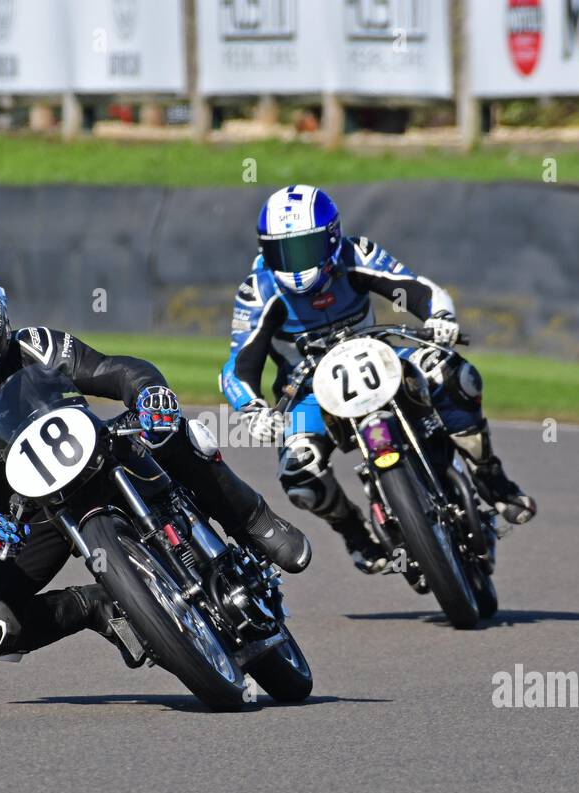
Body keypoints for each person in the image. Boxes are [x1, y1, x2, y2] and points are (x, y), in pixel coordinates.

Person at [0, 274, 310, 663]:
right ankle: (97, 607)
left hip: (101, 456)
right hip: (29, 521)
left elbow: (110, 371)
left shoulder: (36, 348)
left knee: (171, 429)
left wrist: (150, 394)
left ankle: (253, 520)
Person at [220, 185, 536, 573]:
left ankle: (490, 476)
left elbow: (416, 289)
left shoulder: (356, 254)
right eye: (281, 252)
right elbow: (239, 365)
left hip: (378, 355)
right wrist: (253, 409)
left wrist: (440, 318)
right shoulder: (258, 289)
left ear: (331, 238)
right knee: (299, 475)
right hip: (307, 391)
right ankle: (354, 532)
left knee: (456, 374)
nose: (293, 264)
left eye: (304, 249)